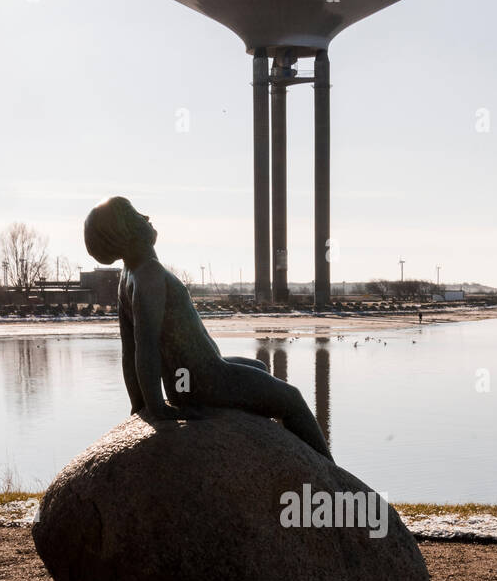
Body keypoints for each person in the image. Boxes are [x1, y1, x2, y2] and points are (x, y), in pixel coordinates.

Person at [83, 196, 332, 459]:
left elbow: (128, 349)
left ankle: (273, 446)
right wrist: (156, 409)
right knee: (292, 399)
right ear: (125, 232)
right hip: (206, 380)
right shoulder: (149, 274)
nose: (146, 217)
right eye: (135, 215)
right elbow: (144, 347)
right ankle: (330, 475)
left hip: (185, 381)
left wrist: (139, 403)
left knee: (259, 368)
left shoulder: (128, 277)